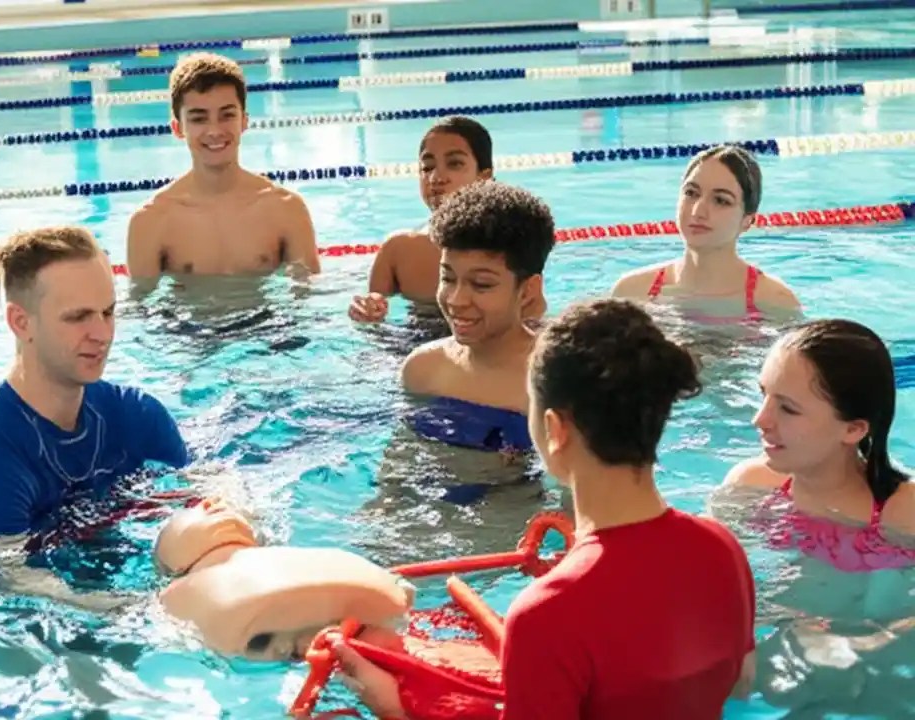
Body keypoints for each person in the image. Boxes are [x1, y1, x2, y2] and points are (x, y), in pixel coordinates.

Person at [333, 299, 757, 719]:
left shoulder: (548, 611)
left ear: (554, 429)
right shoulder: (722, 548)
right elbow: (738, 685)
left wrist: (395, 708)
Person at [0, 227, 191, 606]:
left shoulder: (137, 416)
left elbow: (208, 493)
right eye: (78, 317)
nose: (102, 334)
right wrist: (144, 610)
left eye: (108, 312)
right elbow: (14, 580)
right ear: (21, 322)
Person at [721, 318, 915, 567]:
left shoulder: (905, 516)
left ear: (853, 429)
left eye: (788, 409)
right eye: (763, 394)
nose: (760, 420)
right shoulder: (748, 490)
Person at [125, 52, 320, 284]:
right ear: (178, 128)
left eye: (226, 115)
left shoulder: (286, 210)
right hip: (188, 321)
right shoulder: (151, 221)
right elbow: (142, 310)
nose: (215, 131)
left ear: (244, 121)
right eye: (199, 119)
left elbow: (309, 298)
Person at [398, 180, 553, 469]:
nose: (456, 300)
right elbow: (397, 472)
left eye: (481, 284)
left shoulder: (550, 386)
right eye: (448, 278)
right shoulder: (422, 369)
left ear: (528, 290)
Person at [154, 497, 414, 661]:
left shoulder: (259, 565)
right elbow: (392, 600)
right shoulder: (181, 593)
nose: (212, 504)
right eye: (200, 509)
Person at [349, 117, 545, 325]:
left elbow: (532, 323)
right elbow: (373, 327)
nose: (436, 177)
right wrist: (367, 311)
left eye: (454, 164)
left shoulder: (510, 245)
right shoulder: (397, 250)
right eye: (427, 167)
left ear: (484, 177)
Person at [611, 144, 799, 319]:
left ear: (747, 221)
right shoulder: (632, 293)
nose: (698, 211)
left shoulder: (775, 303)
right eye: (691, 193)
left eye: (720, 200)